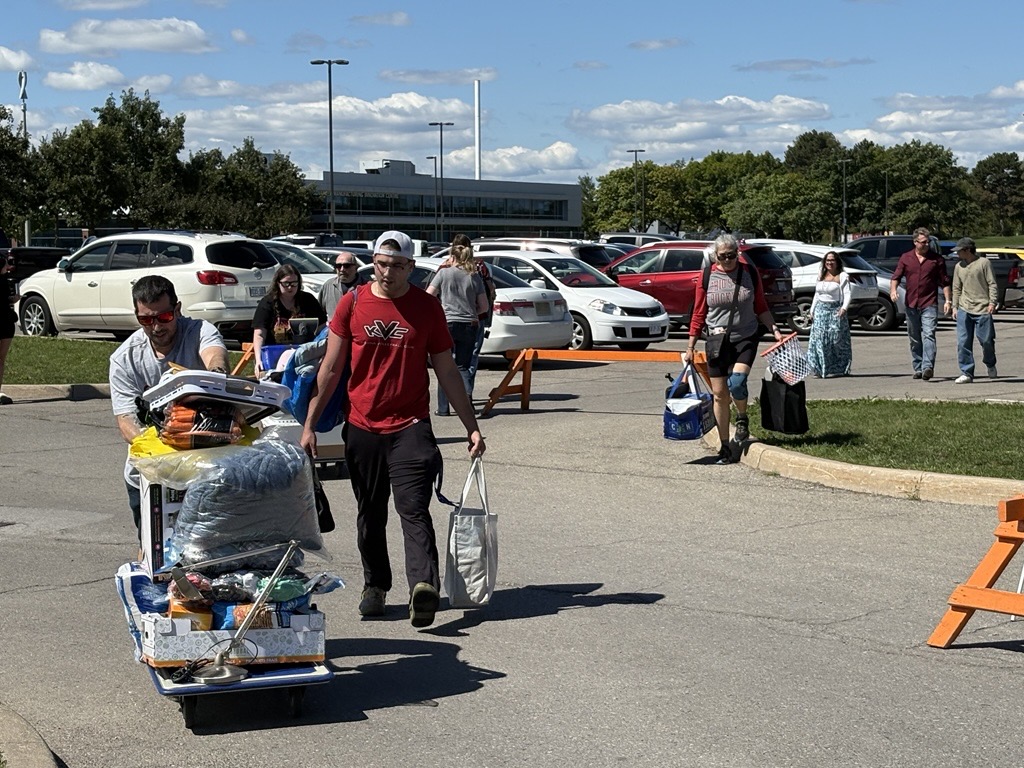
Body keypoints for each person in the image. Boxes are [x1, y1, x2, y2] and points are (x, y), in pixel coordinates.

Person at [299, 230, 485, 629]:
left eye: (397, 265)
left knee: (413, 508)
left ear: (411, 267)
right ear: (374, 262)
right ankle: (375, 587)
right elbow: (330, 368)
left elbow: (448, 370)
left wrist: (472, 427)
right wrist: (310, 424)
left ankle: (423, 586)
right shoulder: (351, 303)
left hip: (411, 425)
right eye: (382, 263)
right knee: (370, 512)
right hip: (362, 425)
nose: (388, 272)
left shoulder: (426, 308)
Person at [108, 275, 229, 538]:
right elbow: (126, 422)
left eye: (163, 318)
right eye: (146, 320)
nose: (156, 327)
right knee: (154, 549)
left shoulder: (199, 331)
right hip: (150, 472)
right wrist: (164, 449)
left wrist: (216, 374)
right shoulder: (123, 359)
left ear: (177, 309)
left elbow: (215, 357)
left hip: (204, 469)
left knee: (206, 546)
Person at [685, 234, 784, 464]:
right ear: (715, 256)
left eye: (732, 255)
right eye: (723, 256)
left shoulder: (748, 273)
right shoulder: (707, 275)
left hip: (746, 336)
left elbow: (760, 305)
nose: (728, 260)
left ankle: (741, 417)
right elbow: (699, 313)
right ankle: (725, 445)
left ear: (737, 253)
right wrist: (690, 346)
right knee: (719, 395)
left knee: (737, 382)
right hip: (717, 342)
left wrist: (775, 330)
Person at [426, 234, 489, 416]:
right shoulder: (474, 276)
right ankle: (467, 400)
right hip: (469, 323)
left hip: (447, 322)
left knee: (444, 365)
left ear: (452, 256)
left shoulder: (443, 273)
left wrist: (440, 310)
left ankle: (443, 408)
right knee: (463, 366)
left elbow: (429, 295)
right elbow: (483, 306)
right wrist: (472, 312)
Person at [890, 227, 951, 380]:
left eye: (928, 242)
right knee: (914, 337)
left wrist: (948, 301)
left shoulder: (936, 259)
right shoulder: (906, 258)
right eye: (923, 242)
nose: (926, 245)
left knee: (929, 334)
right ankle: (918, 367)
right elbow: (896, 277)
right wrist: (893, 290)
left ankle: (927, 367)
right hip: (911, 304)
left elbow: (945, 282)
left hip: (929, 303)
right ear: (915, 242)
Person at [252, 264, 327, 376]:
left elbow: (322, 328)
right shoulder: (268, 302)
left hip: (305, 353)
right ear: (278, 283)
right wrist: (259, 360)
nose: (290, 287)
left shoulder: (308, 300)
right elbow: (259, 334)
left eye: (294, 283)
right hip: (275, 354)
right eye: (286, 284)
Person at [950, 237, 998, 384]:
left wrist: (992, 302)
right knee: (963, 341)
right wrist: (955, 306)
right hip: (964, 308)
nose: (957, 254)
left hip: (983, 308)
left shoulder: (984, 263)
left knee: (986, 340)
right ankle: (966, 372)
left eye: (960, 251)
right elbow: (956, 288)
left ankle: (990, 363)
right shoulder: (959, 266)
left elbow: (992, 284)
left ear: (968, 250)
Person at [806, 251, 852, 378]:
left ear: (837, 262)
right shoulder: (821, 274)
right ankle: (819, 368)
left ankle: (839, 367)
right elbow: (817, 294)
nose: (829, 263)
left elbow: (847, 294)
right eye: (827, 261)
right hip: (821, 310)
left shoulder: (842, 276)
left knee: (836, 340)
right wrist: (812, 310)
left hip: (835, 311)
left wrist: (844, 308)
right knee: (819, 340)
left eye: (832, 260)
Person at [317, 250, 364, 317]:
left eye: (346, 266)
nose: (342, 269)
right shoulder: (328, 286)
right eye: (338, 266)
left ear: (356, 267)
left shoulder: (366, 286)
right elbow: (320, 314)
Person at [0, 253, 19, 405]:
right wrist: (13, 299)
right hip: (5, 322)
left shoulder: (5, 280)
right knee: (0, 360)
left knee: (0, 360)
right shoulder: (4, 281)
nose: (8, 267)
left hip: (6, 323)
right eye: (5, 264)